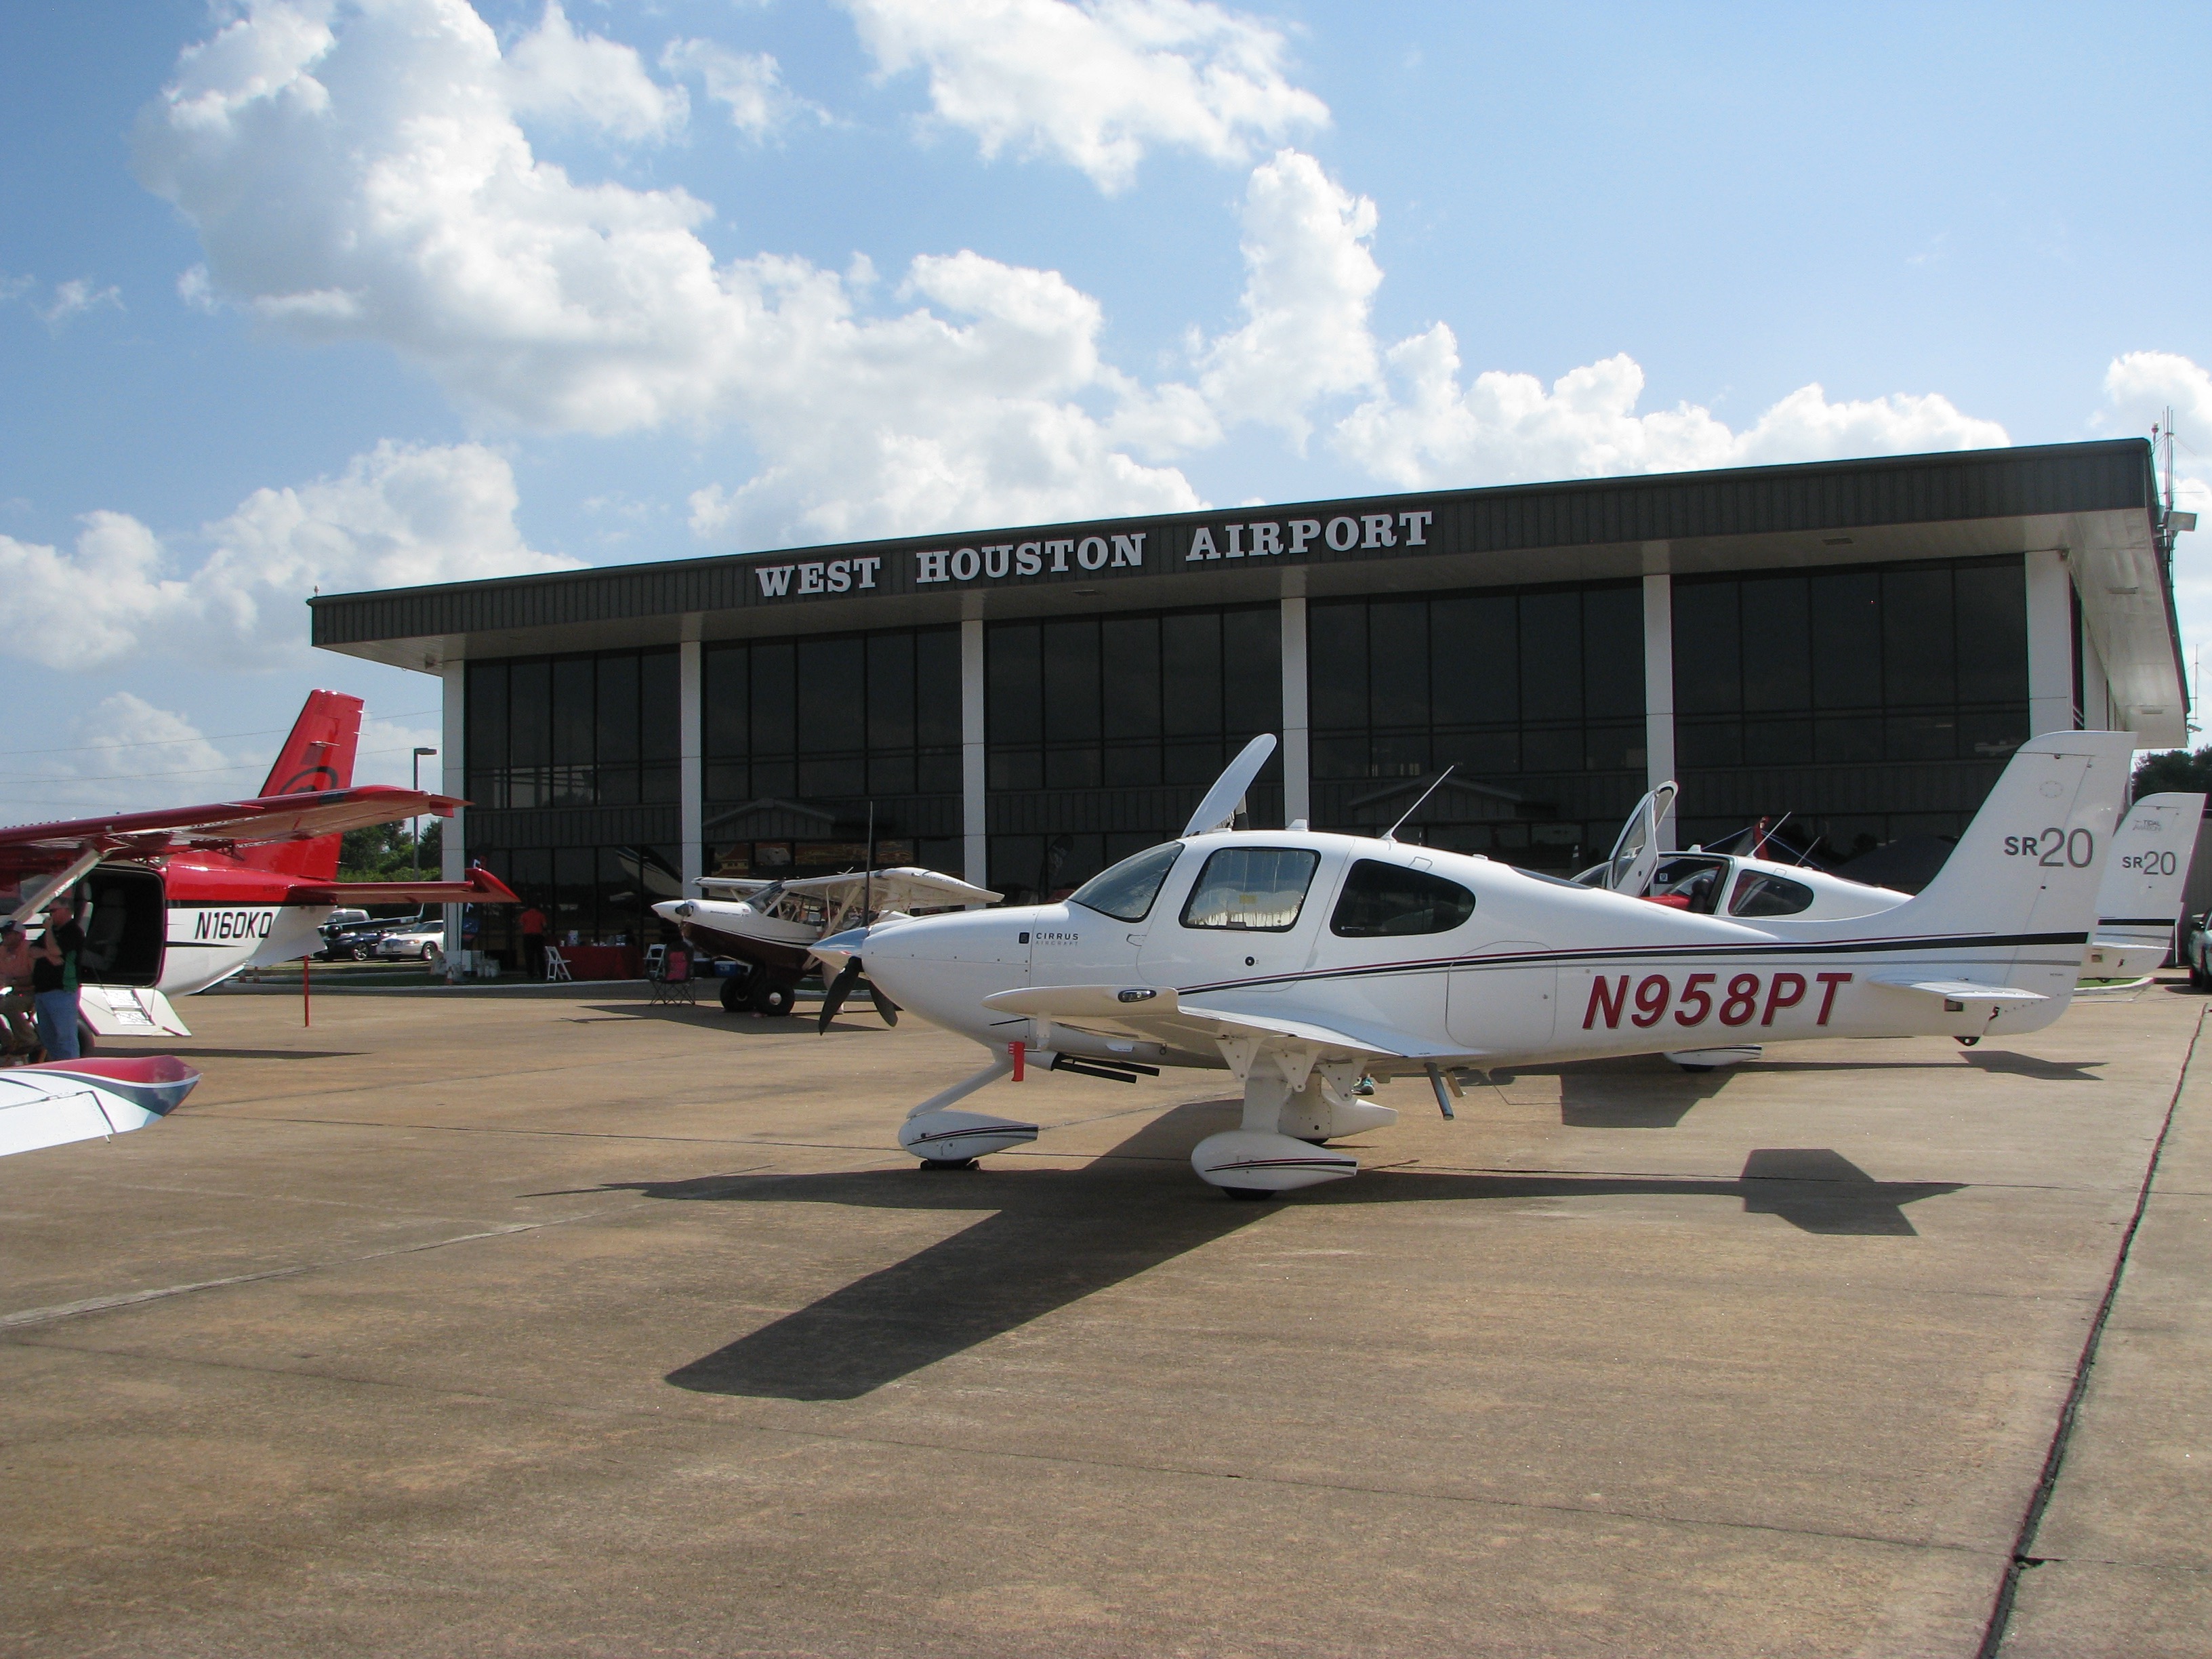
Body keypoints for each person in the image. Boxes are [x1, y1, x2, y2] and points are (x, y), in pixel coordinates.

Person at [32, 895, 84, 1062]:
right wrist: (47, 953)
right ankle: (57, 1065)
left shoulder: (73, 931)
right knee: (48, 1037)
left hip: (61, 990)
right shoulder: (53, 932)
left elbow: (56, 951)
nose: (49, 914)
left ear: (66, 911)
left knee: (65, 1036)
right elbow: (31, 951)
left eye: (53, 910)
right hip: (42, 991)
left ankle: (72, 1067)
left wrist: (48, 932)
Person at [0, 920, 35, 1058]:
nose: (4, 936)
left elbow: (36, 978)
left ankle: (28, 1040)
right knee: (7, 1003)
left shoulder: (30, 949)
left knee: (9, 1005)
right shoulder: (2, 950)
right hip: (14, 992)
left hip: (31, 993)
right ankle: (7, 1041)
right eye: (3, 933)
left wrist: (13, 981)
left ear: (20, 935)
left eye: (8, 933)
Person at [519, 903, 549, 979]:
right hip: (538, 936)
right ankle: (543, 974)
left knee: (529, 955)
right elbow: (545, 925)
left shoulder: (524, 915)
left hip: (528, 936)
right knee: (540, 956)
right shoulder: (541, 915)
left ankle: (530, 974)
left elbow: (522, 925)